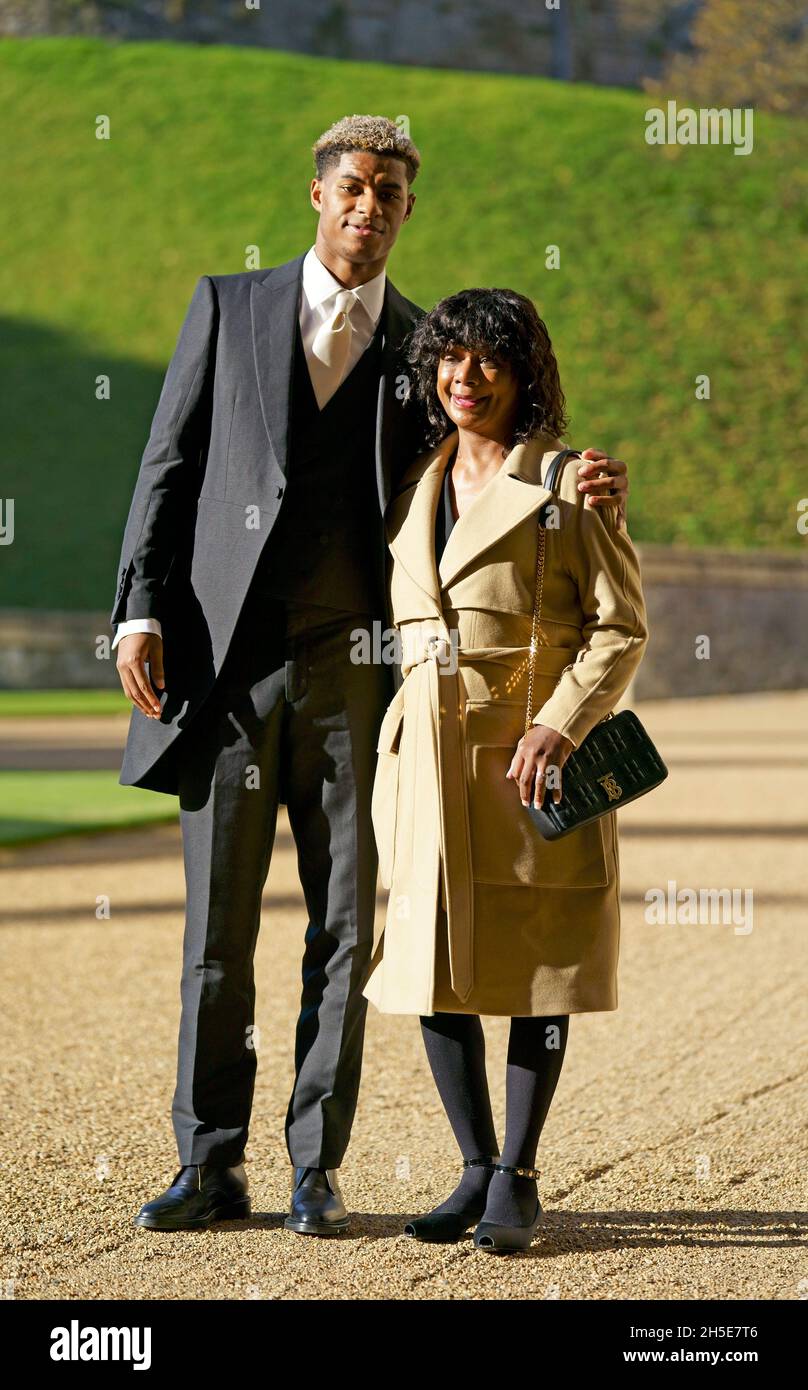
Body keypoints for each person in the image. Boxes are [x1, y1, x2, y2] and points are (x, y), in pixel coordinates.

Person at [110, 115, 631, 1236]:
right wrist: (138, 609)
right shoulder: (226, 306)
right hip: (227, 667)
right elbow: (168, 463)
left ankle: (313, 1164)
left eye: (391, 192)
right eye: (353, 185)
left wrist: (578, 469)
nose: (370, 205)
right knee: (218, 930)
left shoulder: (418, 345)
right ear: (314, 192)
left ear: (406, 208)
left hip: (362, 681)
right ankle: (208, 1162)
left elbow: (488, 453)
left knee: (350, 929)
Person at [363, 288, 649, 1252]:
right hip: (423, 760)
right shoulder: (411, 486)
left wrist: (561, 730)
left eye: (489, 359)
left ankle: (520, 1176)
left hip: (529, 762)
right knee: (428, 964)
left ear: (526, 375)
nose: (465, 376)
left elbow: (621, 627)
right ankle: (475, 1166)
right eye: (450, 358)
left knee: (539, 965)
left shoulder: (570, 484)